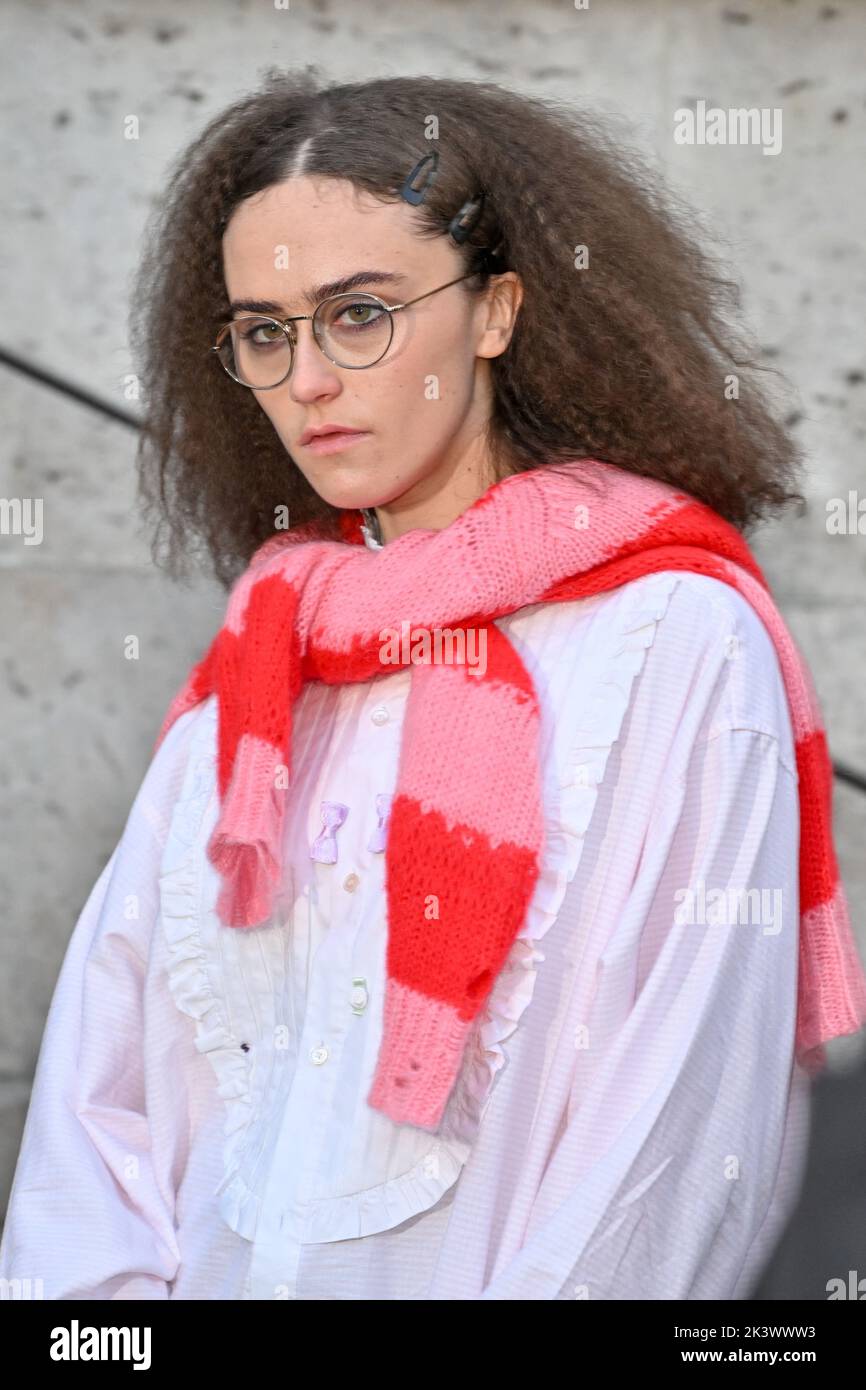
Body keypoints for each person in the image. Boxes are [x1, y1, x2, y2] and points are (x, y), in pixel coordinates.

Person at [2, 69, 865, 1302]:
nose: (305, 380)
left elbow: (683, 1134)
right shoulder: (261, 658)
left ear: (497, 309)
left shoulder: (671, 633)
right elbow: (100, 1108)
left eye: (358, 315)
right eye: (263, 329)